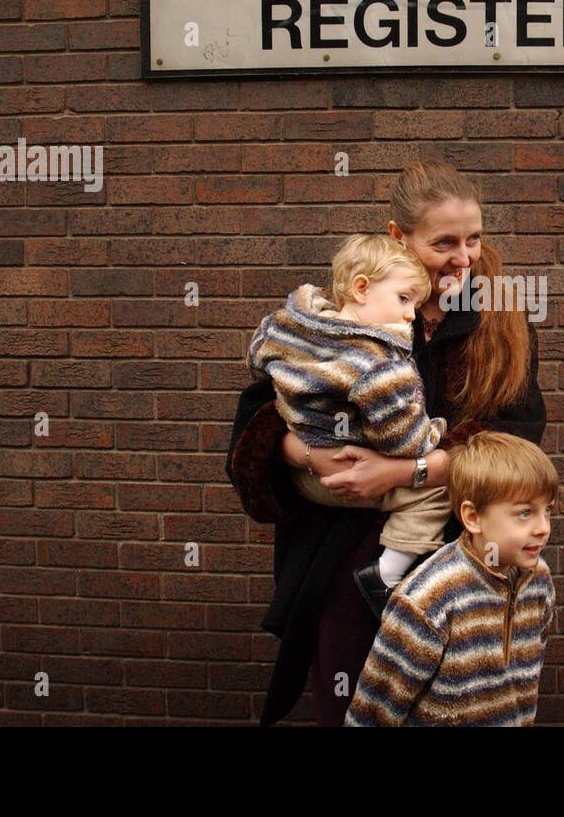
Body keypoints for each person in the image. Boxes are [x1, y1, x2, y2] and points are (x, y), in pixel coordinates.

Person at [225, 159, 546, 727]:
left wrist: (404, 472)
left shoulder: (503, 321)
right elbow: (261, 406)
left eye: (474, 239)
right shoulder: (354, 302)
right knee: (352, 708)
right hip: (340, 553)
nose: (464, 258)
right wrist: (302, 452)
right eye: (444, 242)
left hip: (458, 554)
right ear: (398, 237)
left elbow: (517, 433)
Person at [246, 234, 452, 617]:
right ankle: (385, 575)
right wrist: (435, 432)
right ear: (361, 288)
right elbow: (403, 440)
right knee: (436, 493)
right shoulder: (376, 362)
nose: (411, 314)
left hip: (302, 478)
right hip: (348, 475)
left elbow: (258, 356)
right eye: (404, 299)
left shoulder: (292, 325)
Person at [345, 431, 557, 726]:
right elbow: (372, 712)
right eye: (524, 513)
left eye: (547, 511)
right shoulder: (427, 599)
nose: (543, 527)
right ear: (472, 517)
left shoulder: (538, 582)